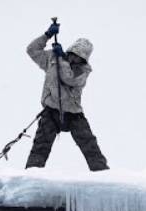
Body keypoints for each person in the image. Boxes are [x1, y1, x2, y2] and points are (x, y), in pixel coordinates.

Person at [25, 22, 109, 171]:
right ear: (70, 51)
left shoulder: (83, 71)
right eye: (73, 55)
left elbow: (68, 78)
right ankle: (31, 176)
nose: (74, 59)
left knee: (90, 147)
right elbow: (31, 50)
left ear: (83, 60)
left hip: (74, 114)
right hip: (50, 111)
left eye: (79, 58)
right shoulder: (52, 58)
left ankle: (103, 176)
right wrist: (47, 35)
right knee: (40, 147)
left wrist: (62, 59)